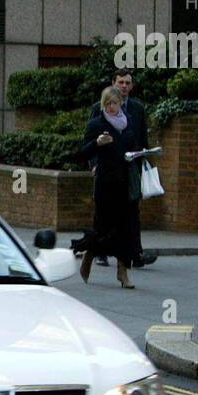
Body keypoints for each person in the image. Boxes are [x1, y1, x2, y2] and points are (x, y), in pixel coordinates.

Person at [87, 70, 157, 268]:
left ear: (132, 86)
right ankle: (100, 252)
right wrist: (94, 164)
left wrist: (143, 160)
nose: (124, 86)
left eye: (128, 83)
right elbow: (90, 139)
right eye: (121, 82)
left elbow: (142, 138)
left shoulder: (137, 108)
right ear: (113, 83)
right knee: (104, 211)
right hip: (107, 169)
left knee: (132, 211)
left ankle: (135, 254)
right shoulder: (98, 109)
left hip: (129, 168)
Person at [77, 86, 140, 289]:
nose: (111, 107)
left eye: (114, 103)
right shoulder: (97, 124)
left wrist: (139, 154)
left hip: (125, 182)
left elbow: (134, 145)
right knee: (103, 227)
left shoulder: (128, 123)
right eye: (107, 104)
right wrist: (97, 143)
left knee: (126, 228)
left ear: (120, 103)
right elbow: (82, 153)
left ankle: (123, 273)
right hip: (105, 182)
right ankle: (89, 255)